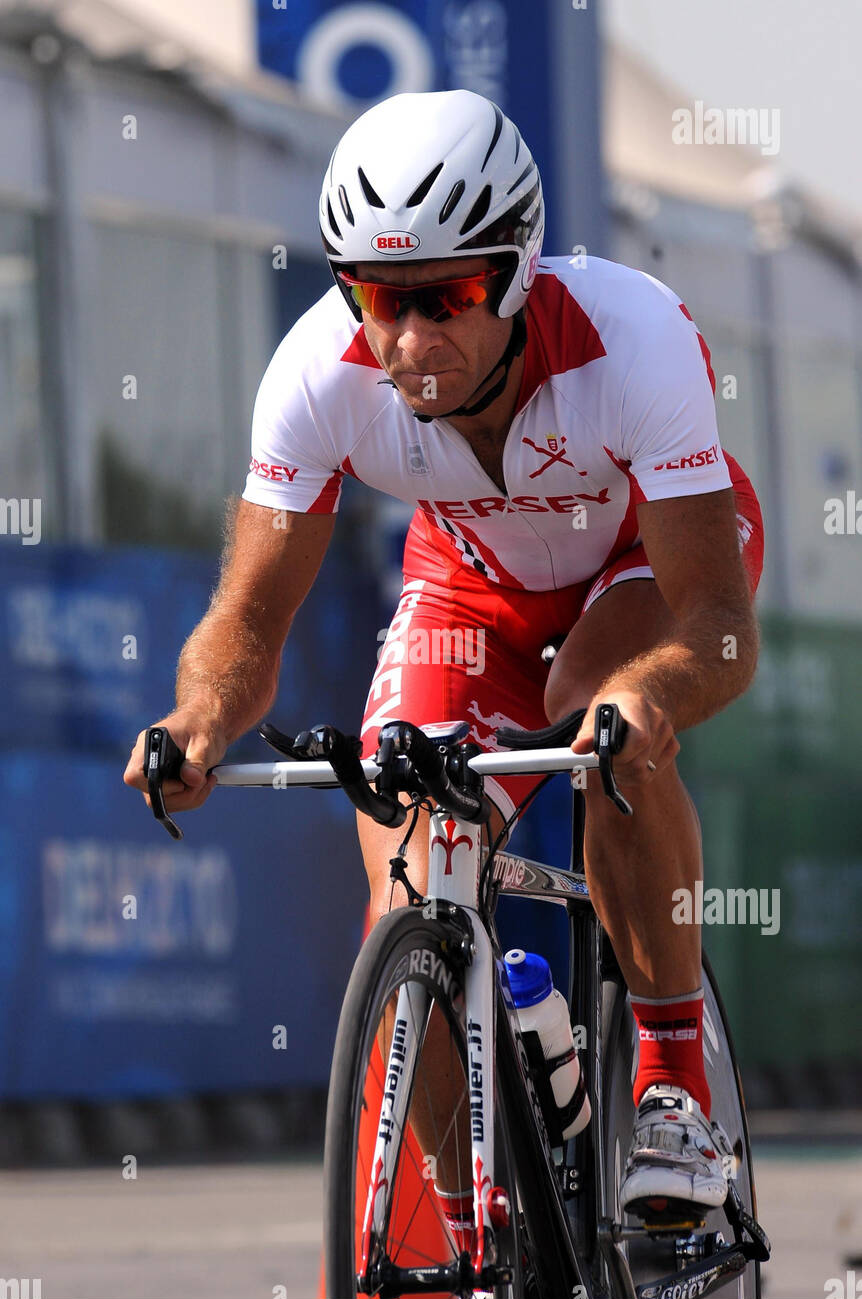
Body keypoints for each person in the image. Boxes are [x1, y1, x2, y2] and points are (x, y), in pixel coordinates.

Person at [124, 89, 763, 1233]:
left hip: (641, 561)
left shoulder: (632, 333)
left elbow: (716, 617)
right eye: (376, 300)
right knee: (407, 875)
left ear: (515, 272)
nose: (409, 343)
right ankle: (472, 1220)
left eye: (450, 297)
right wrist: (197, 723)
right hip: (470, 583)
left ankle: (673, 1082)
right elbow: (249, 620)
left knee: (591, 720)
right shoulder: (317, 373)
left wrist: (652, 689)